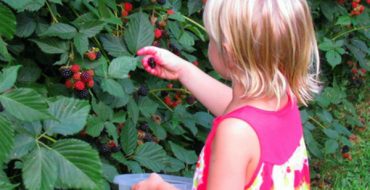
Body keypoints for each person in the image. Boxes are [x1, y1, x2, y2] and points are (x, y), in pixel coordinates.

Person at [132, 0, 320, 189]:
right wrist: (183, 70)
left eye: (212, 38)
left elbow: (238, 123)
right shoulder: (281, 98)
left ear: (229, 54)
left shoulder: (234, 135)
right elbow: (236, 110)